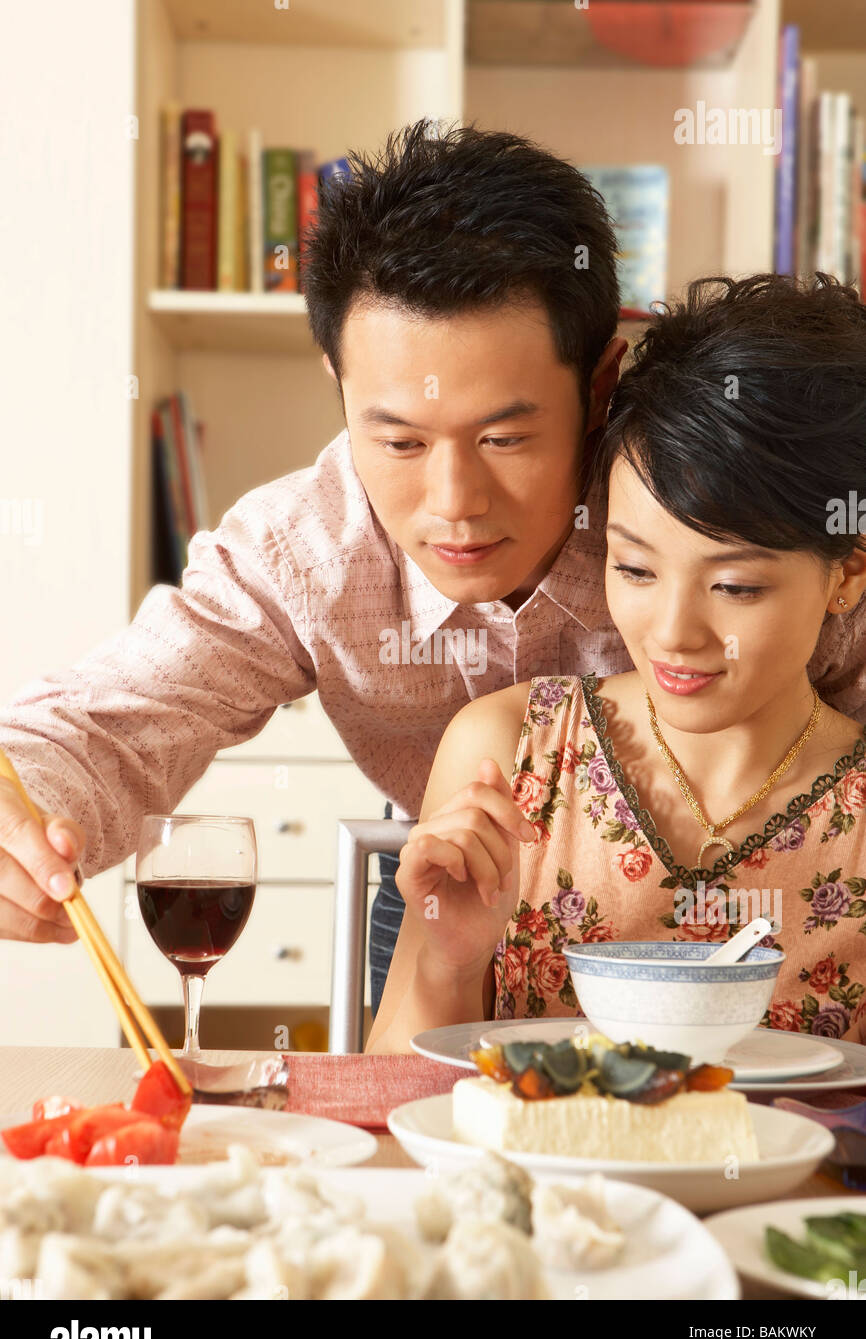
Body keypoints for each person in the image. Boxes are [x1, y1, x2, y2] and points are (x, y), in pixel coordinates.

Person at [0, 123, 865, 1015]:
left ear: (602, 379)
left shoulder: (695, 503)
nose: (453, 501)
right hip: (452, 886)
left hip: (774, 897)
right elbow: (117, 720)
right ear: (337, 379)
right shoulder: (306, 551)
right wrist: (20, 804)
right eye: (400, 440)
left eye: (505, 437)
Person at [365, 273, 866, 1053]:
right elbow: (396, 1124)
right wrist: (449, 960)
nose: (673, 633)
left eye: (734, 585)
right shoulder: (506, 751)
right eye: (635, 568)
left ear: (848, 574)